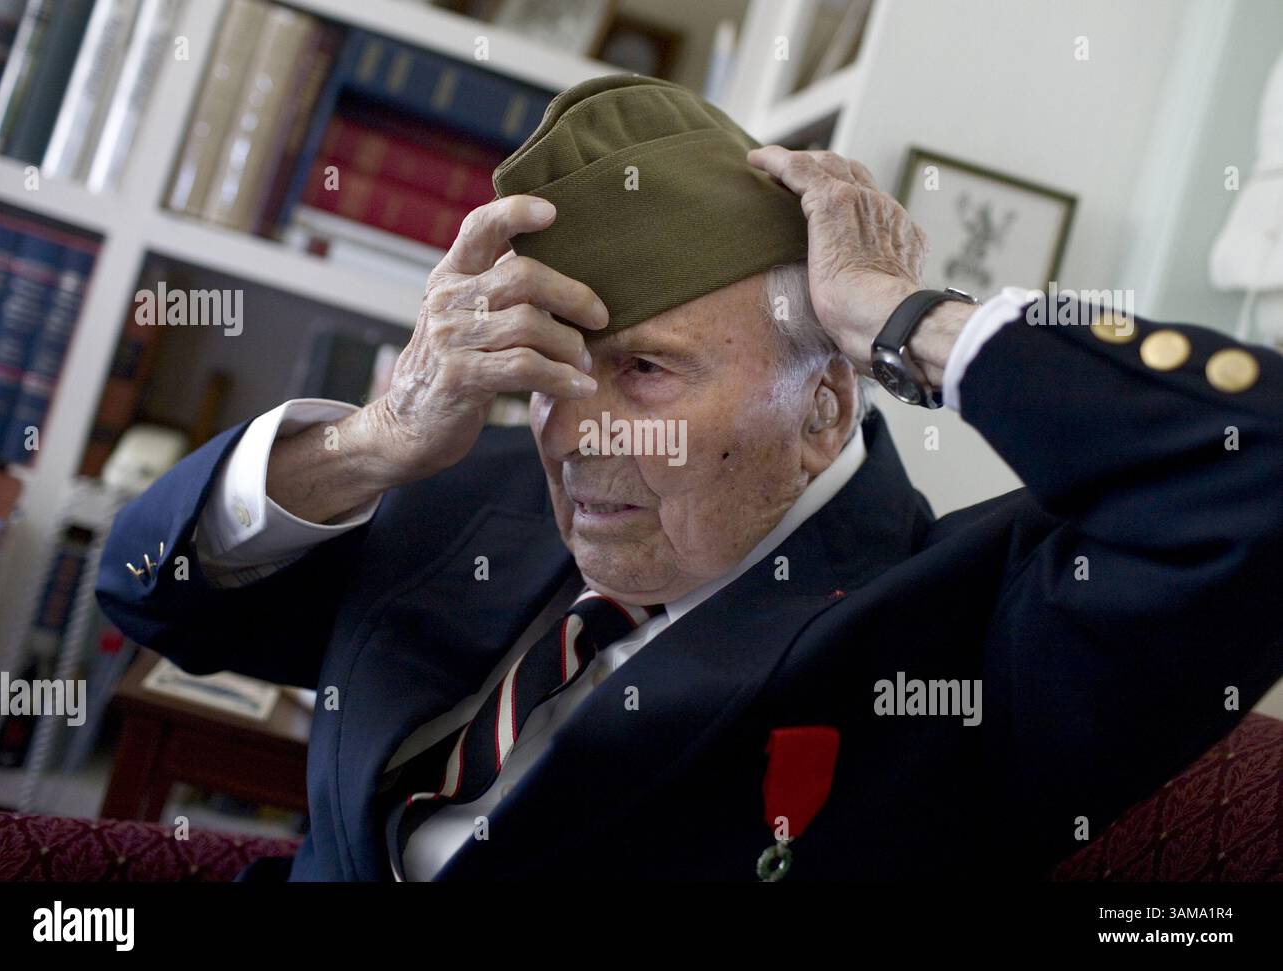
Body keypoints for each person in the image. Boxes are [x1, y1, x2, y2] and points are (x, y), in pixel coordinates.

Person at [96, 76, 1283, 882]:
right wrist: (373, 440)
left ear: (824, 403)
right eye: (555, 371)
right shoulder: (472, 492)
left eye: (648, 370)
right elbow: (153, 597)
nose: (577, 433)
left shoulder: (967, 632)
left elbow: (1256, 470)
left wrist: (900, 317)